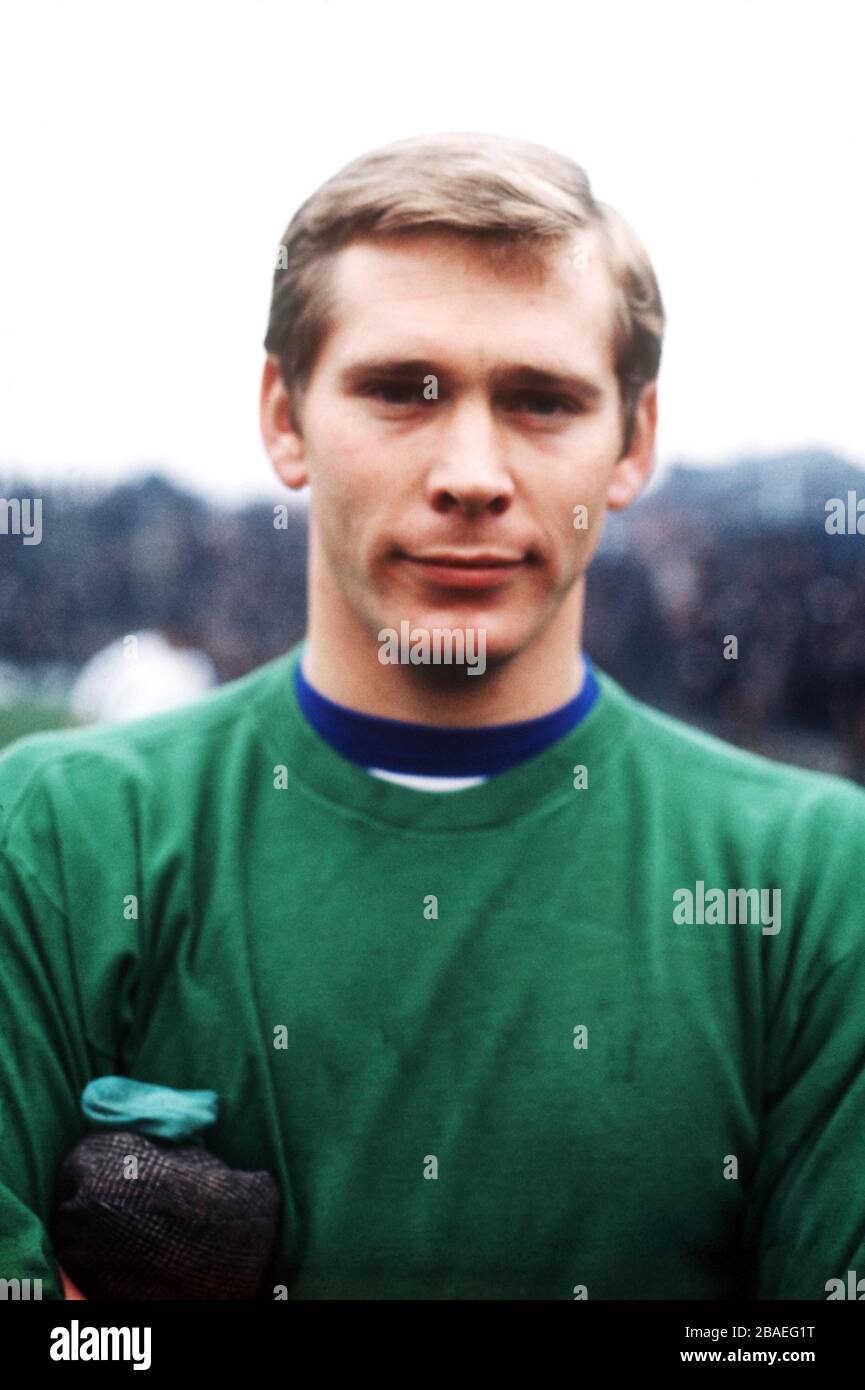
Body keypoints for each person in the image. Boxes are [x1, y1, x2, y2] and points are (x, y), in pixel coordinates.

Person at [1, 131, 864, 1301]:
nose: (471, 469)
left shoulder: (817, 880)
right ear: (284, 416)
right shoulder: (53, 839)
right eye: (401, 392)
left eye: (541, 400)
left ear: (634, 440)